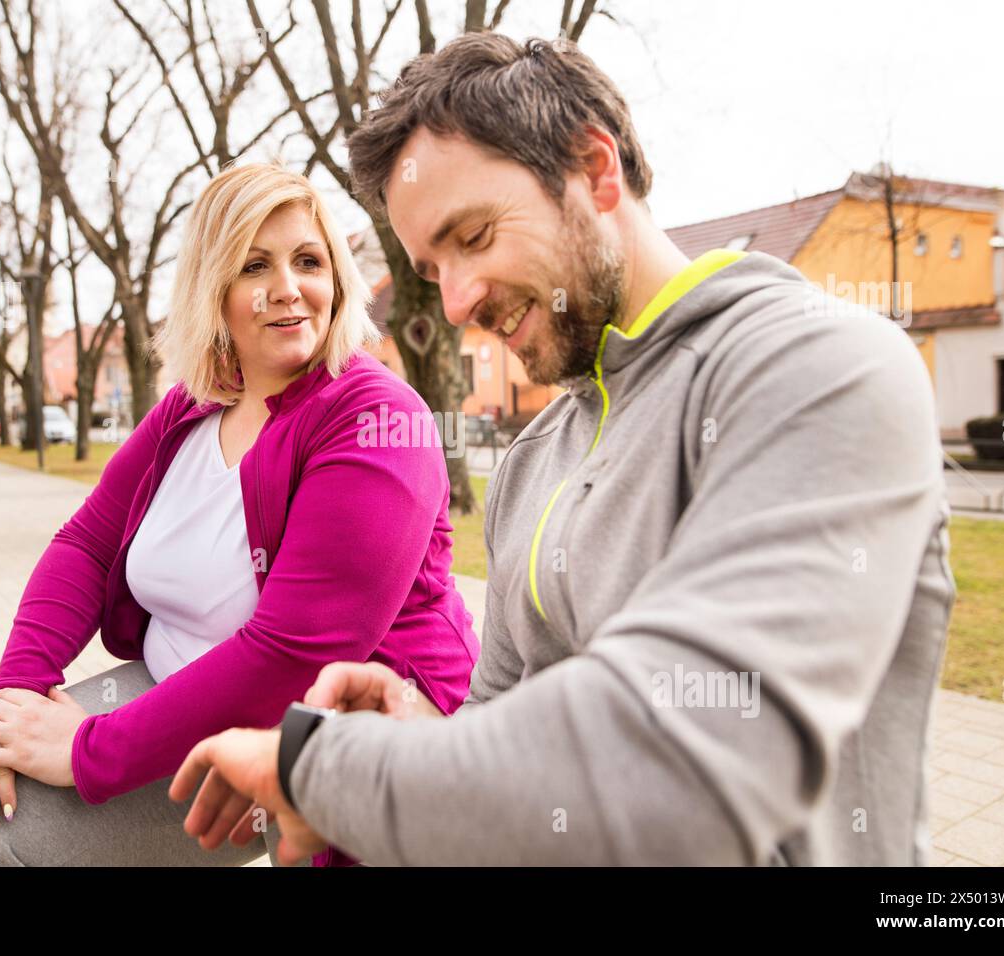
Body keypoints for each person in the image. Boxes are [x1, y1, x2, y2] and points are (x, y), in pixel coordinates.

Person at [170, 34, 954, 867]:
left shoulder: (822, 367)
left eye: (471, 238)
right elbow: (506, 745)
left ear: (593, 168)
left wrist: (322, 769)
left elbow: (688, 761)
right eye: (433, 270)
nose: (461, 299)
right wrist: (418, 732)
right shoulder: (529, 462)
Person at [0, 162, 479, 867]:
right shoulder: (192, 403)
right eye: (253, 265)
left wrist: (86, 749)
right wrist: (12, 693)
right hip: (182, 700)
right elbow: (87, 544)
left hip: (339, 731)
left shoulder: (375, 417)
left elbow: (296, 654)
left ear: (336, 277)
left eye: (308, 260)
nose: (288, 289)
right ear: (212, 290)